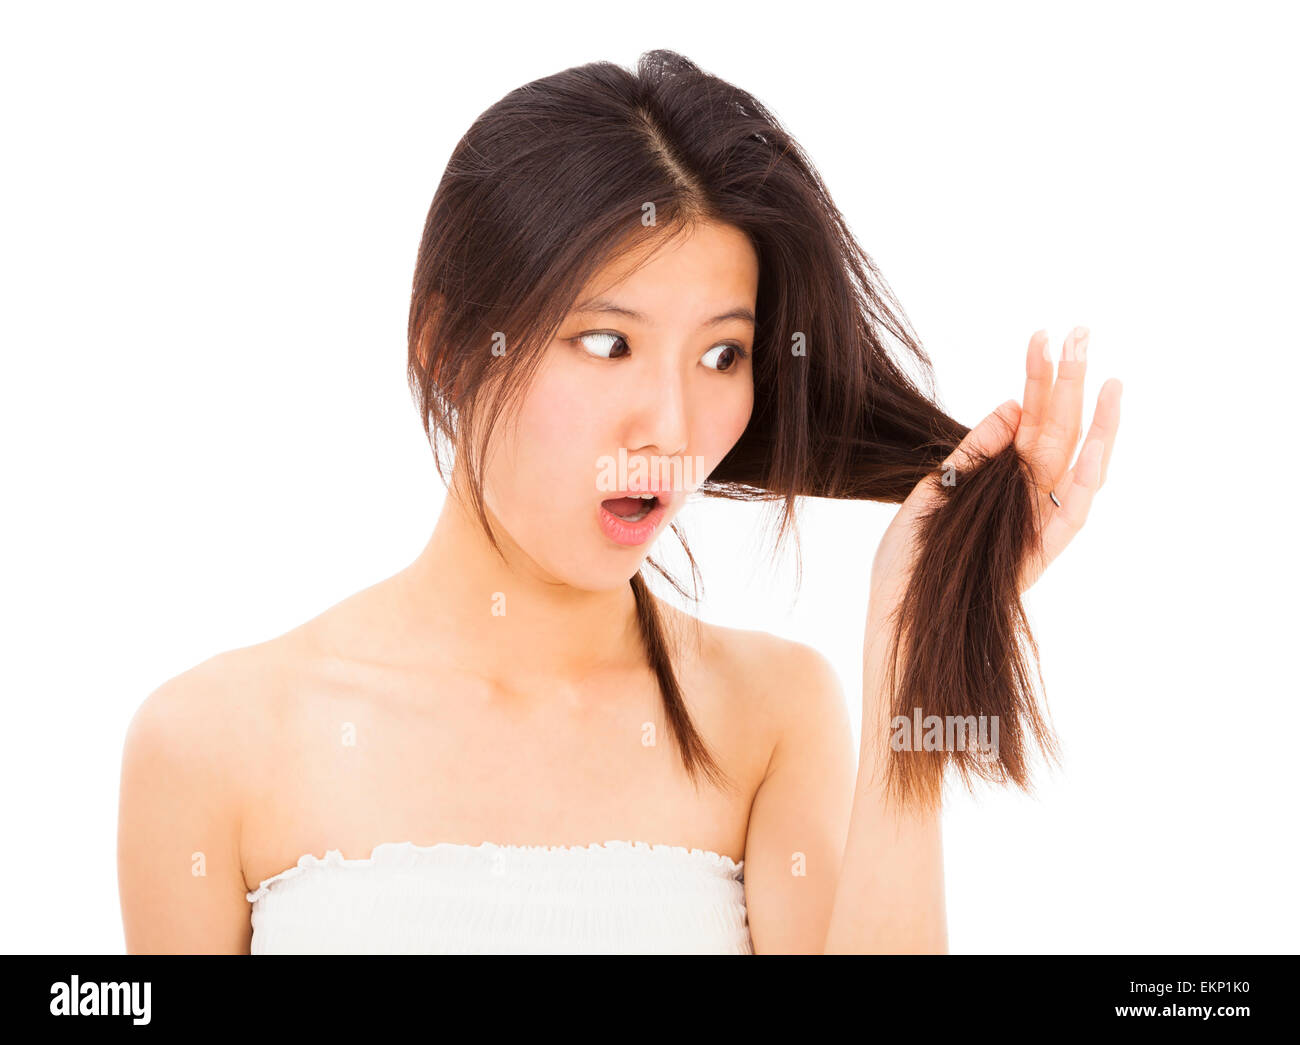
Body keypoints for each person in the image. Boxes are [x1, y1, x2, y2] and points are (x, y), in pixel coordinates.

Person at [117, 50, 1122, 954]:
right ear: (447, 345)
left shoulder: (769, 717)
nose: (672, 428)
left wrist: (918, 643)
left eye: (722, 354)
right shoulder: (210, 744)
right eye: (608, 343)